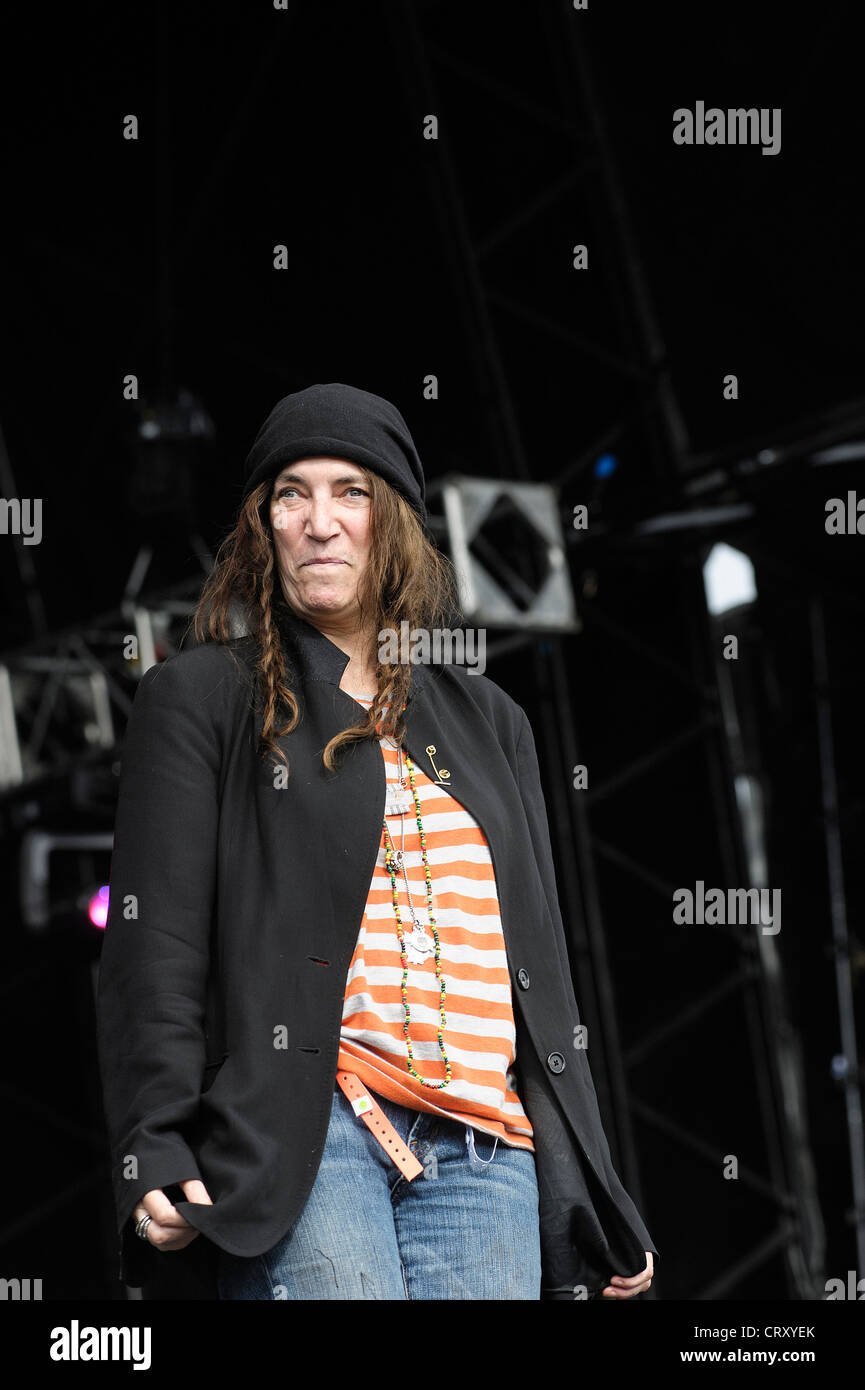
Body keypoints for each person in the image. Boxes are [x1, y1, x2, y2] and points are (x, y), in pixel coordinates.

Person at [96, 382, 658, 1300]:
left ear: (391, 521)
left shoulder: (490, 721)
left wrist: (591, 1182)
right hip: (311, 1133)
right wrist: (150, 1142)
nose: (319, 521)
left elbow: (539, 978)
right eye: (291, 494)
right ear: (261, 526)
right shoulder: (201, 697)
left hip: (487, 1150)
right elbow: (152, 945)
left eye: (349, 492)